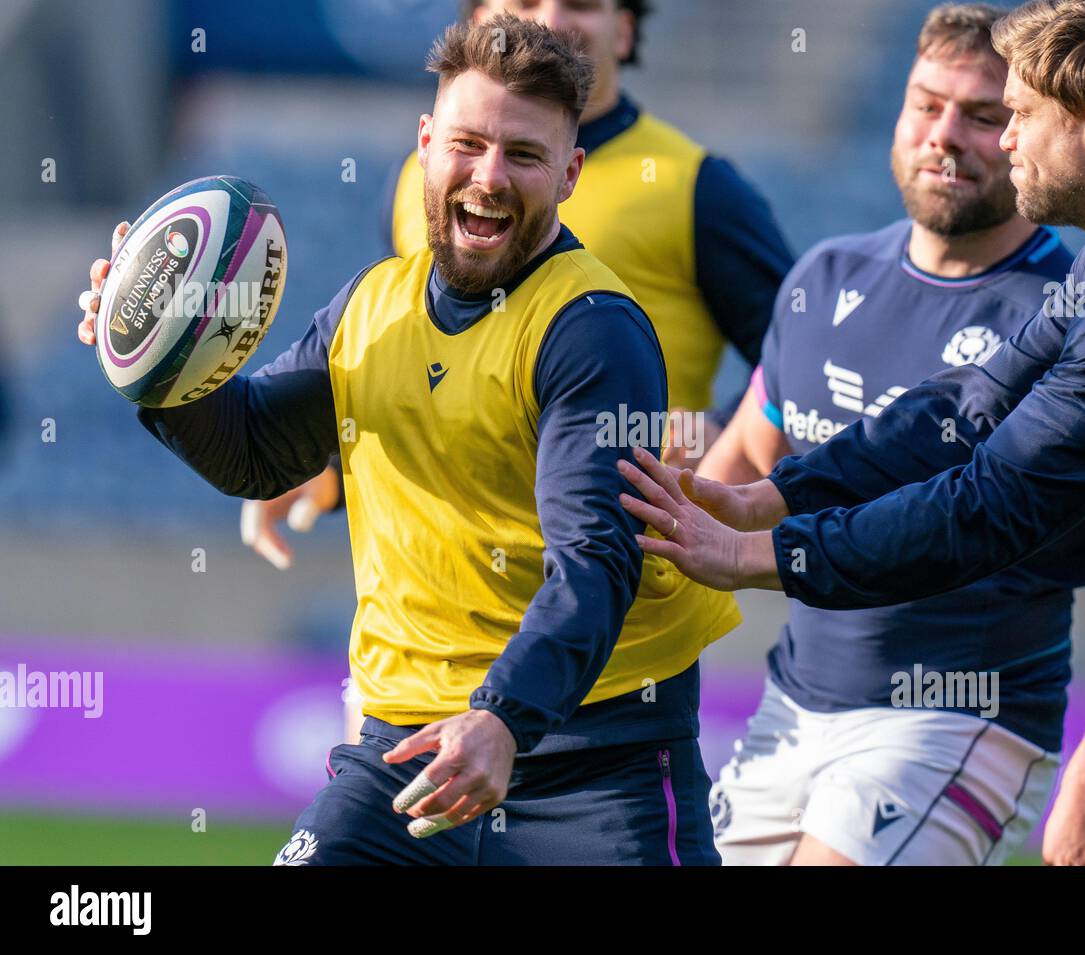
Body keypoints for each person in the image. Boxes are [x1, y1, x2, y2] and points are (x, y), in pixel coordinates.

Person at [617, 0, 1085, 866]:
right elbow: (968, 405)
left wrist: (761, 556)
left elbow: (988, 507)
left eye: (1013, 116)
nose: (1005, 140)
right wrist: (772, 494)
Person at [79, 15, 738, 865]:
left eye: (525, 156)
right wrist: (155, 370)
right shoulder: (367, 307)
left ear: (570, 174)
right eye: (467, 143)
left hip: (594, 762)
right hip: (404, 757)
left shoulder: (592, 331)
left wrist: (502, 717)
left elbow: (594, 564)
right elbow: (257, 452)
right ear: (425, 144)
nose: (489, 177)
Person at [240, 0, 794, 576]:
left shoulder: (697, 187)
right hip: (442, 611)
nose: (550, 21)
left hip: (626, 621)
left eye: (580, 4)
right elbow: (405, 364)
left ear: (625, 32)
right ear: (477, 23)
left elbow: (809, 340)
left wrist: (730, 428)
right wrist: (325, 472)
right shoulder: (419, 180)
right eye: (525, 2)